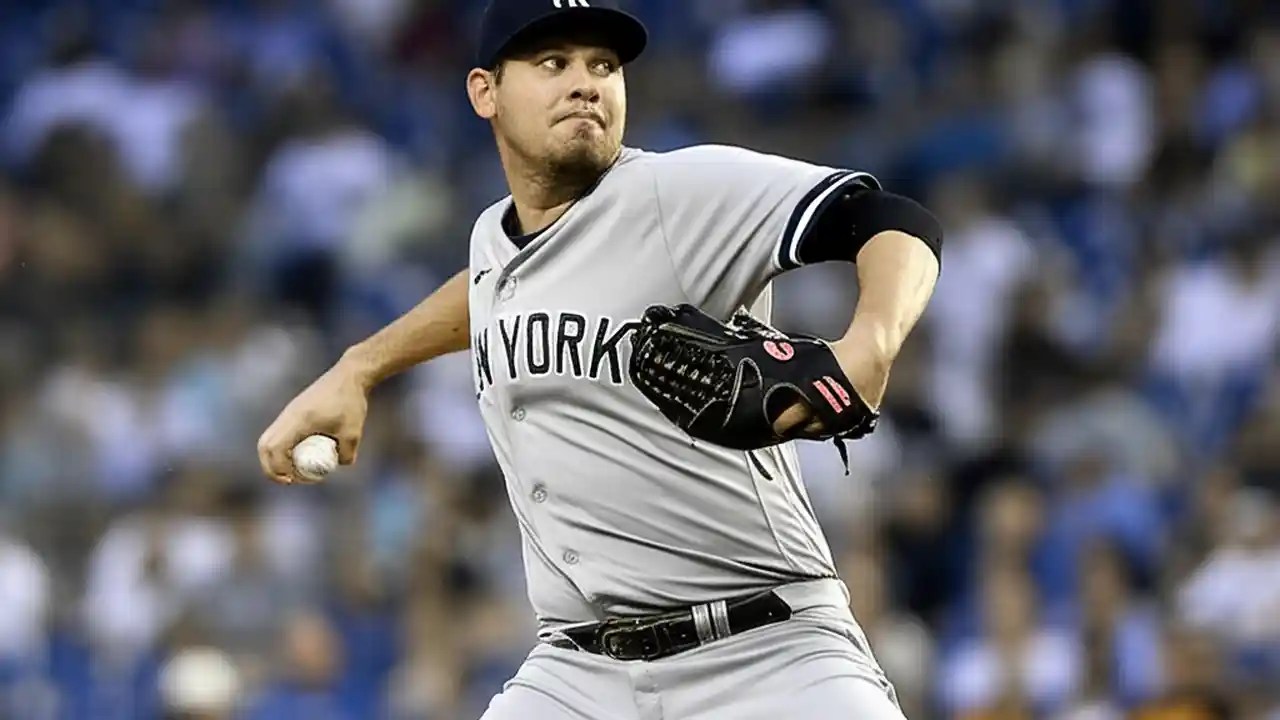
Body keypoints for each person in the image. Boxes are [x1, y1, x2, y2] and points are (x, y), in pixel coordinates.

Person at [257, 1, 943, 717]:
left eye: (604, 66)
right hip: (579, 673)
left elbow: (895, 222)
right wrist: (360, 366)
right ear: (484, 92)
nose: (585, 82)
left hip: (764, 651)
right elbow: (495, 289)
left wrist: (867, 346)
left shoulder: (675, 193)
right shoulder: (495, 238)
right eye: (554, 64)